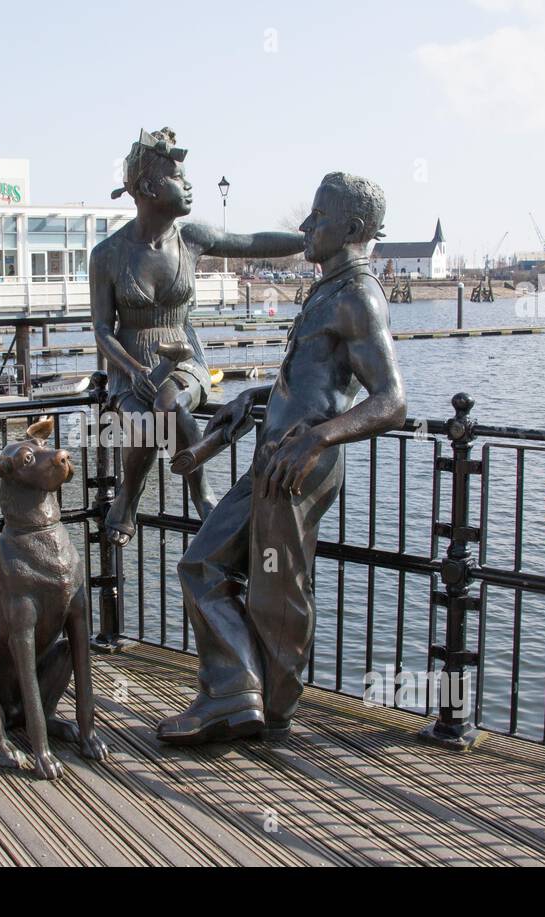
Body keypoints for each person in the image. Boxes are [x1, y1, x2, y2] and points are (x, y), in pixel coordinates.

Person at [157, 172, 407, 746]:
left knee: (278, 594)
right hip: (273, 458)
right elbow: (314, 384)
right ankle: (233, 693)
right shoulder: (326, 290)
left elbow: (391, 400)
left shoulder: (358, 296)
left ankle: (268, 712)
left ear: (353, 228)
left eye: (317, 217)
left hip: (298, 466)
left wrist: (318, 439)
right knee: (202, 565)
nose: (304, 227)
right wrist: (255, 397)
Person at [91, 127, 303, 546]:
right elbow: (101, 329)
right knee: (144, 424)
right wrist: (133, 371)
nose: (189, 186)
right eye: (177, 177)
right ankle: (130, 500)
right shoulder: (108, 255)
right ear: (149, 187)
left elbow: (253, 242)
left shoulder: (192, 239)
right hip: (129, 365)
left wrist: (313, 239)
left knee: (168, 404)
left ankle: (198, 492)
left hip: (184, 357)